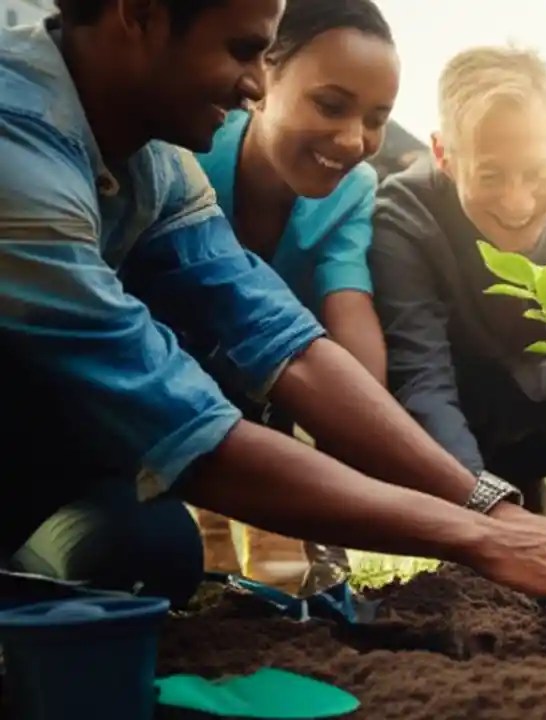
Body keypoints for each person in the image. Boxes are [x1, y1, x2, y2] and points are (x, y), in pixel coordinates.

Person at [0, 0, 546, 621]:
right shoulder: (18, 155)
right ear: (138, 13)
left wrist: (495, 511)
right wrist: (477, 537)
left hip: (62, 445)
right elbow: (185, 425)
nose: (254, 87)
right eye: (242, 51)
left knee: (149, 550)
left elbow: (281, 337)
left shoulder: (160, 162)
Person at [370, 46, 546, 515]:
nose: (519, 204)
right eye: (491, 175)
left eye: (539, 172)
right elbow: (421, 378)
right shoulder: (404, 217)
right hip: (469, 395)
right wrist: (492, 518)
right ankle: (510, 495)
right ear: (443, 155)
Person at [188, 0, 397, 590]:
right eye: (330, 105)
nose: (354, 139)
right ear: (264, 76)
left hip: (269, 374)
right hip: (176, 364)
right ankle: (210, 535)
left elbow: (347, 299)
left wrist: (368, 433)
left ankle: (288, 541)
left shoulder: (350, 188)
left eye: (377, 117)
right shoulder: (193, 153)